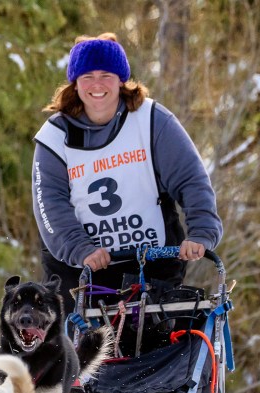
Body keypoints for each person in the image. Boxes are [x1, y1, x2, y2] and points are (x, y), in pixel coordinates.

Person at [32, 32, 223, 314]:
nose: (97, 84)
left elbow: (190, 179)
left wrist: (202, 233)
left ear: (121, 80)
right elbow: (49, 203)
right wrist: (81, 250)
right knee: (83, 351)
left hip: (153, 259)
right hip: (82, 269)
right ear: (75, 83)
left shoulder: (152, 120)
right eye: (87, 76)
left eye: (106, 75)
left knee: (158, 344)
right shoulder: (54, 136)